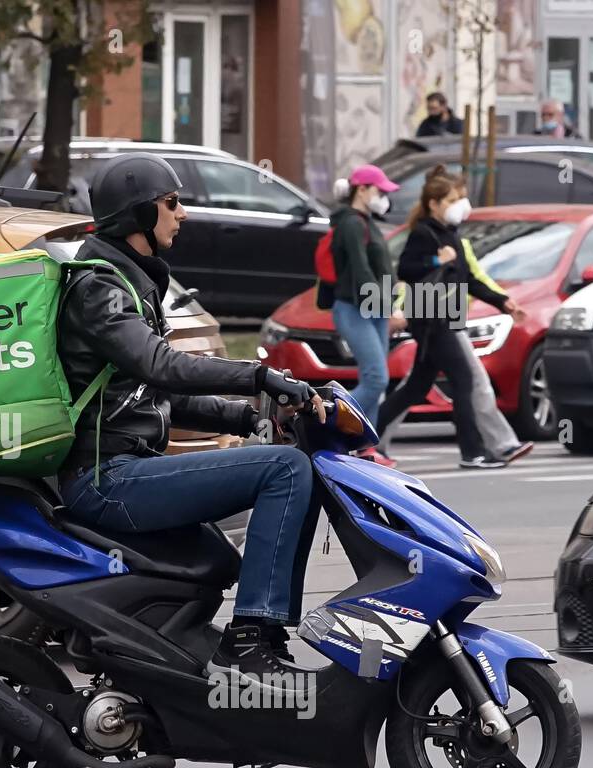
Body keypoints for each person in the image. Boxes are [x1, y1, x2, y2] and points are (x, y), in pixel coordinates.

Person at [56, 152, 325, 688]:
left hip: (126, 467)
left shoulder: (132, 279)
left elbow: (149, 394)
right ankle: (252, 638)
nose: (183, 214)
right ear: (138, 216)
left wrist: (247, 418)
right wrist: (260, 376)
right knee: (286, 471)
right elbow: (159, 366)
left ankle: (209, 652)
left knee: (221, 561)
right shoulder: (100, 287)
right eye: (172, 203)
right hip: (106, 478)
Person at [377, 175, 533, 464]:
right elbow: (408, 270)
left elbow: (469, 279)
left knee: (417, 386)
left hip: (446, 317)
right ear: (433, 204)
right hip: (431, 319)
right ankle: (472, 451)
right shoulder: (424, 233)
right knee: (465, 380)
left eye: (457, 200)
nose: (458, 206)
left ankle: (370, 437)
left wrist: (502, 302)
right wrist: (437, 261)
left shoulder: (451, 235)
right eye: (451, 200)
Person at [328, 165, 406, 442]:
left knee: (374, 380)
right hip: (355, 308)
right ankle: (325, 420)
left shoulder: (366, 220)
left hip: (373, 308)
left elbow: (381, 268)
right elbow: (362, 271)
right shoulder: (350, 223)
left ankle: (365, 449)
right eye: (380, 190)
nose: (384, 196)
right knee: (376, 379)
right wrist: (390, 308)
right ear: (361, 189)